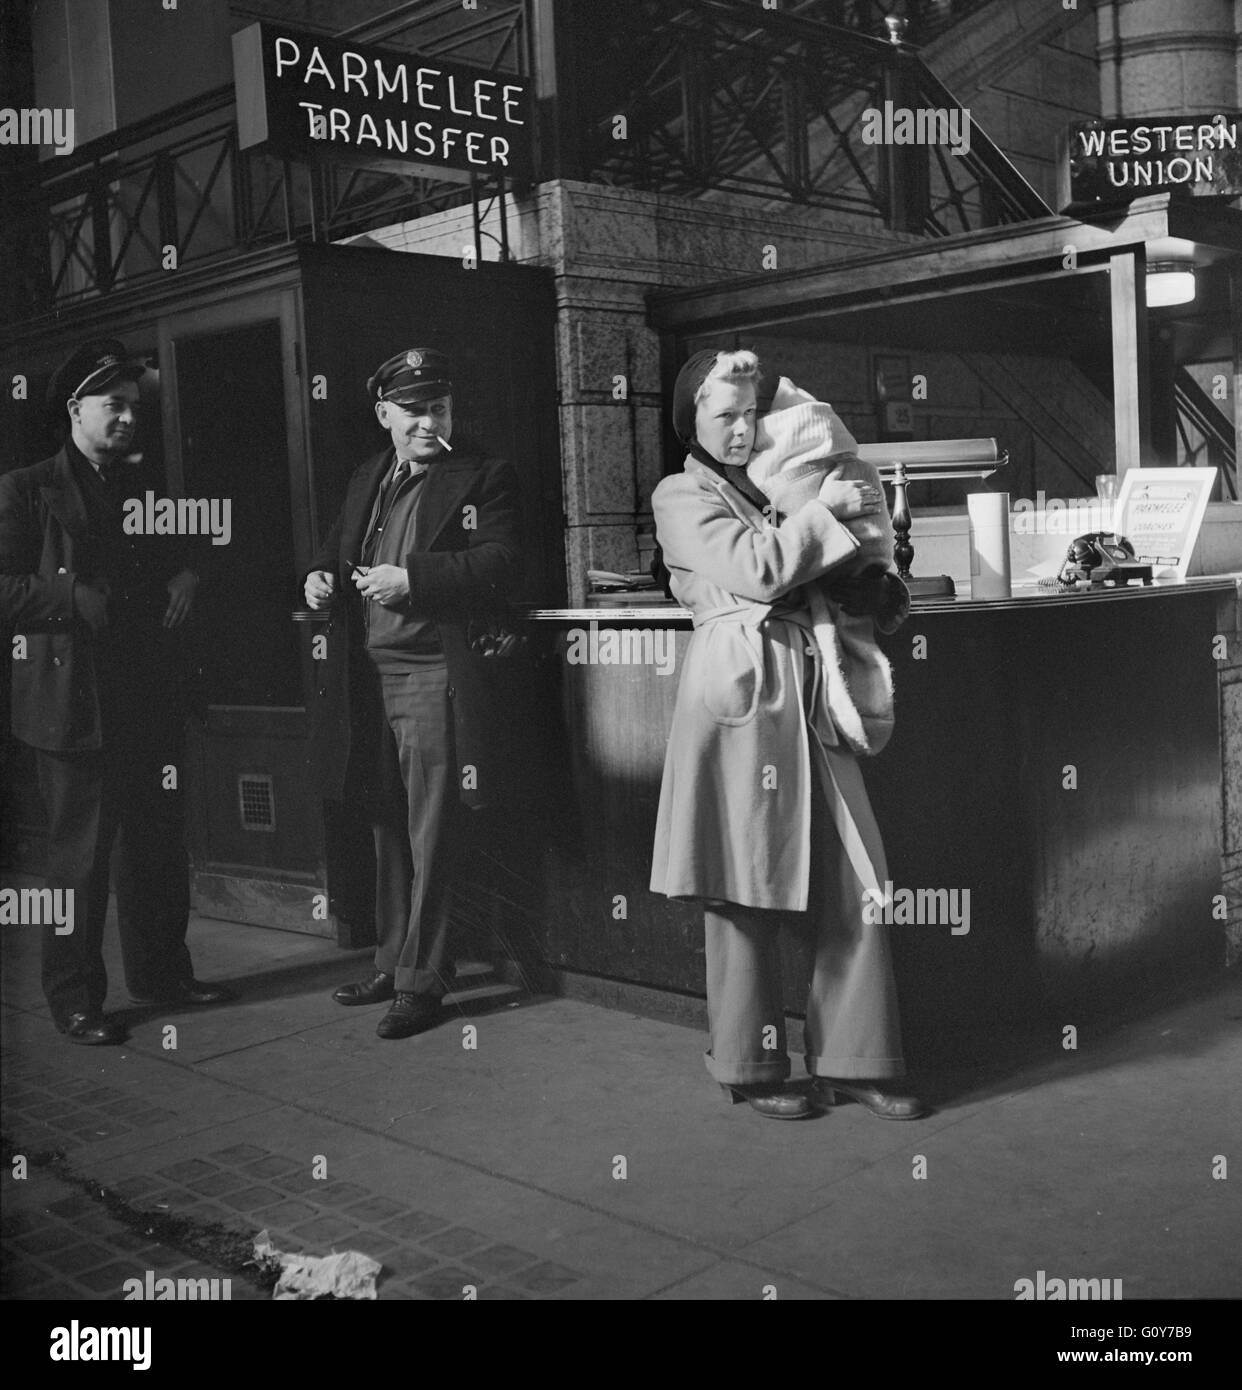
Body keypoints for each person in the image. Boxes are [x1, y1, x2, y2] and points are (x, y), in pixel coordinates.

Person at [649, 347, 925, 1120]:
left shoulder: (776, 483)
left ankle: (856, 1060)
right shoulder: (679, 495)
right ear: (691, 422)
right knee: (743, 891)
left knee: (859, 881)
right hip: (741, 698)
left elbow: (823, 573)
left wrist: (871, 578)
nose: (740, 430)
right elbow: (761, 570)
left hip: (811, 691)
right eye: (723, 415)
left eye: (749, 414)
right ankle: (751, 1066)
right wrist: (833, 515)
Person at [0, 338, 229, 1046]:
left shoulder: (145, 488)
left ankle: (163, 974)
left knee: (157, 847)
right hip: (74, 707)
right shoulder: (25, 488)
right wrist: (71, 596)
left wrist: (191, 572)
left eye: (134, 406)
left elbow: (201, 541)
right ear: (76, 409)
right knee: (81, 859)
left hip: (147, 695)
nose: (129, 418)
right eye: (113, 405)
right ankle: (73, 998)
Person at [304, 347, 522, 1040]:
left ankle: (422, 980)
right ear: (384, 415)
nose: (431, 422)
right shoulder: (368, 474)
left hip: (432, 673)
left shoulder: (483, 474)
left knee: (433, 830)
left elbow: (503, 560)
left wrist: (414, 580)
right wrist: (319, 576)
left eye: (441, 407)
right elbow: (336, 549)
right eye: (416, 410)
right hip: (366, 676)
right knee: (386, 822)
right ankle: (393, 959)